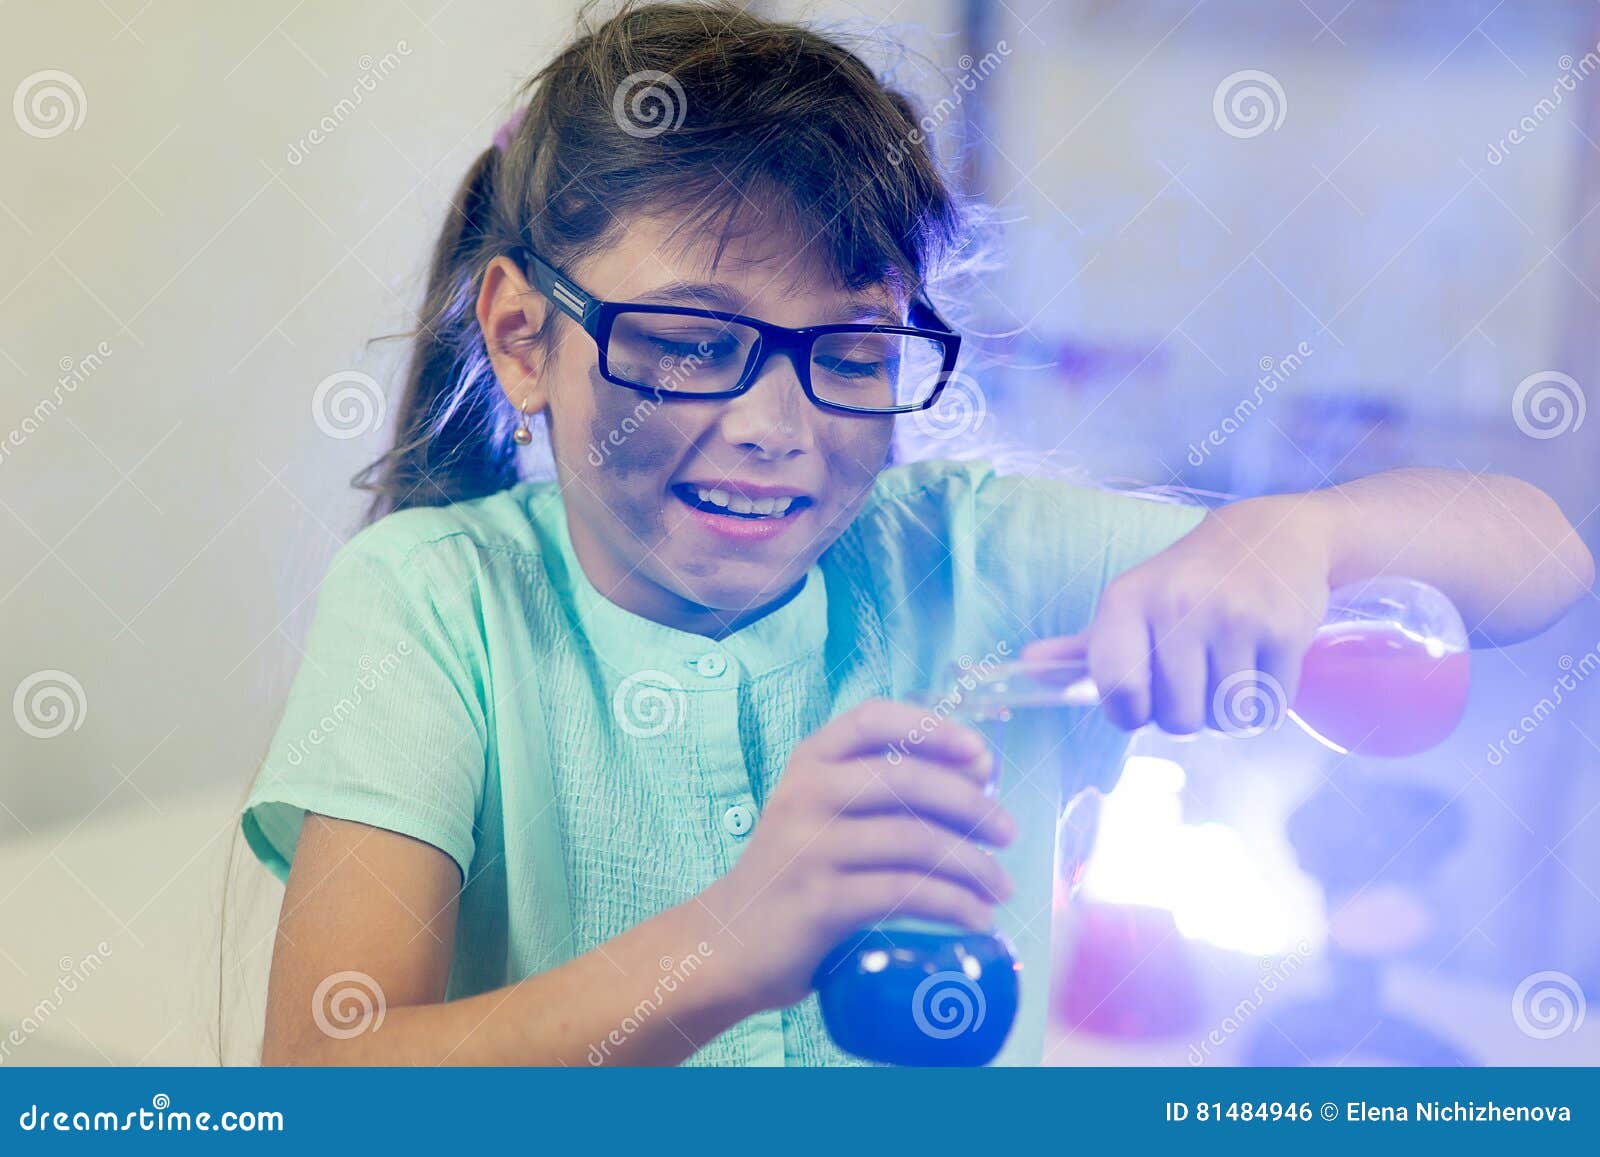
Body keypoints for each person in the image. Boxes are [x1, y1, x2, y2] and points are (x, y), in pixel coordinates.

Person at [242, 0, 1594, 1066]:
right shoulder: (434, 602)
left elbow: (1544, 558)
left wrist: (1297, 537)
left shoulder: (978, 557)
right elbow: (321, 1078)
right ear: (521, 336)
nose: (776, 427)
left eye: (850, 348)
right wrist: (731, 939)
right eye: (694, 341)